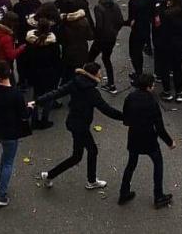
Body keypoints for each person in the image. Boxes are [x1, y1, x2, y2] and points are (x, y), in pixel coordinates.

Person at [37, 61, 123, 190]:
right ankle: (91, 181)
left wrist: (38, 101)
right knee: (91, 151)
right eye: (99, 73)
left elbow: (57, 93)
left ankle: (50, 175)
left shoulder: (75, 82)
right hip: (81, 126)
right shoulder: (92, 92)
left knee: (77, 156)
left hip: (73, 122)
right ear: (93, 75)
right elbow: (107, 110)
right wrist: (125, 117)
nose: (101, 75)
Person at [117, 72, 173, 207]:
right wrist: (170, 142)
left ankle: (124, 192)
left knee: (131, 164)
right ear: (149, 86)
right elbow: (159, 127)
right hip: (149, 138)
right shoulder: (152, 102)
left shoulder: (130, 97)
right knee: (158, 164)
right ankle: (158, 195)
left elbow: (126, 119)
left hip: (134, 136)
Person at [0, 61, 33, 206]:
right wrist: (29, 107)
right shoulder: (16, 94)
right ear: (10, 72)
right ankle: (1, 195)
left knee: (5, 155)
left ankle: (0, 179)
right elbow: (24, 115)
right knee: (9, 162)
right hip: (11, 133)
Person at [153, 0, 182, 102]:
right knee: (177, 68)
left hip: (168, 44)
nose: (167, 2)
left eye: (169, 0)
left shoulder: (167, 14)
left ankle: (167, 92)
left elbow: (161, 30)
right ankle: (179, 93)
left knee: (165, 68)